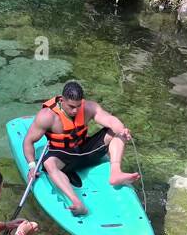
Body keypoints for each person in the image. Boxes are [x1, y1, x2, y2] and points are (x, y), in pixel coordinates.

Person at [22, 81, 138, 216]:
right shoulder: (47, 116)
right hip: (63, 156)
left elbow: (110, 120)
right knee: (48, 163)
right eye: (71, 106)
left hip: (85, 150)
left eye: (78, 106)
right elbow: (28, 142)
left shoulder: (89, 107)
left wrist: (122, 130)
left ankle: (116, 173)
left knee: (117, 132)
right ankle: (77, 203)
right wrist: (31, 166)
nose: (75, 111)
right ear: (62, 99)